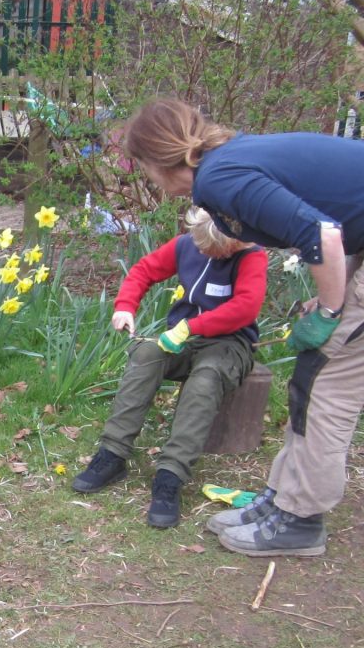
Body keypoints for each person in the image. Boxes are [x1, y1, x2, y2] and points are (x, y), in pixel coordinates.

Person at [122, 97, 364, 555]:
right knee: (311, 379)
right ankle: (282, 501)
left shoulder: (219, 177)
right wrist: (336, 292)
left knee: (327, 386)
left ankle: (301, 519)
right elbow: (346, 221)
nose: (149, 179)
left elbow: (323, 235)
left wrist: (331, 311)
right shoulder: (229, 159)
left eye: (144, 168)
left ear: (157, 160)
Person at [73, 207, 267, 527]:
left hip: (230, 344)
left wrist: (192, 327)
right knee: (145, 354)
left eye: (211, 250)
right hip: (183, 338)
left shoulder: (252, 257)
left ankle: (170, 476)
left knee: (205, 380)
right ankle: (112, 454)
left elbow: (245, 308)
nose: (203, 252)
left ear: (232, 244)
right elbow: (143, 271)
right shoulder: (187, 244)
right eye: (200, 246)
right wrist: (125, 306)